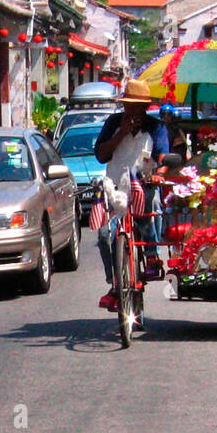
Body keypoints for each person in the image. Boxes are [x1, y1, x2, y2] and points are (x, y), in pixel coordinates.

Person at [94, 79, 170, 318]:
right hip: (115, 187)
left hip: (143, 185)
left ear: (145, 107)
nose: (132, 110)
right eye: (128, 105)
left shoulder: (156, 127)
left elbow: (163, 156)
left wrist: (159, 174)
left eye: (136, 106)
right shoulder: (113, 123)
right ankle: (115, 282)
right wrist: (121, 133)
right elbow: (101, 155)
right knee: (105, 234)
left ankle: (150, 255)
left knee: (152, 204)